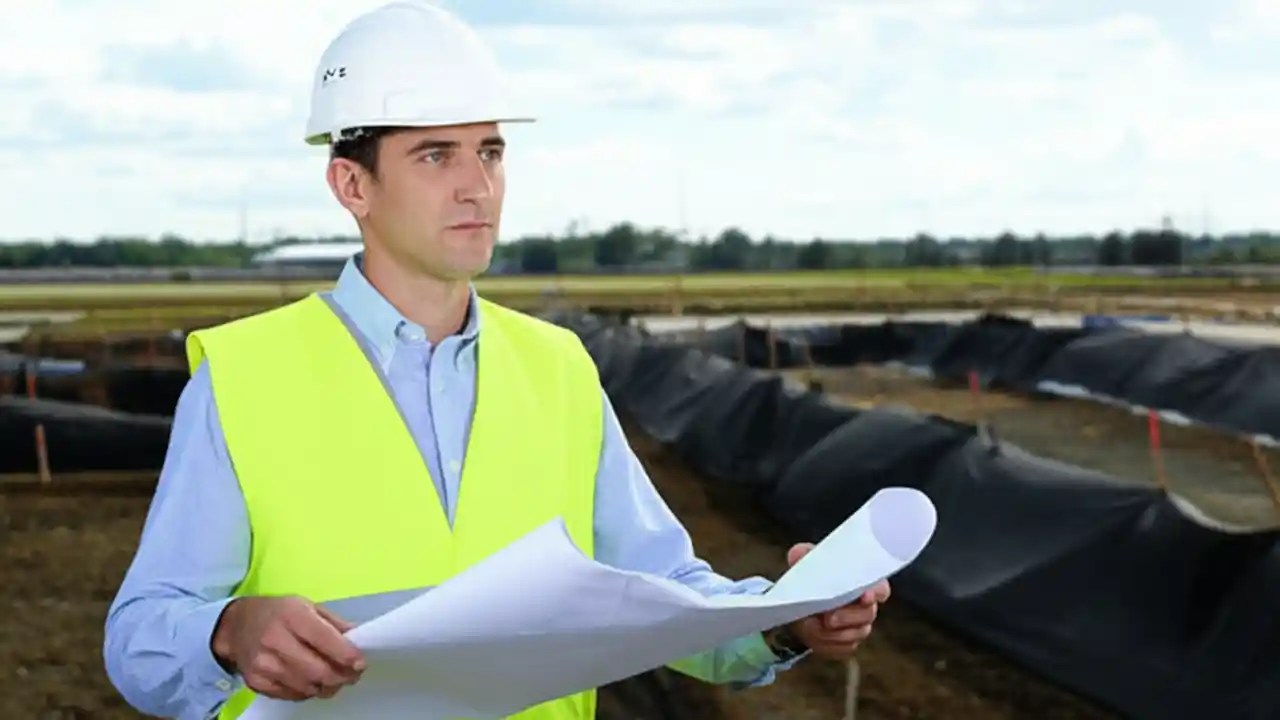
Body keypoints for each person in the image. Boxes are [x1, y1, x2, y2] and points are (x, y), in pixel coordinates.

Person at [102, 2, 891, 718]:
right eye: (435, 156)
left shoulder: (558, 368)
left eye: (490, 151)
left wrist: (785, 618)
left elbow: (668, 599)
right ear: (351, 184)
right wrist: (227, 631)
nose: (477, 186)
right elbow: (140, 639)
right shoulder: (247, 375)